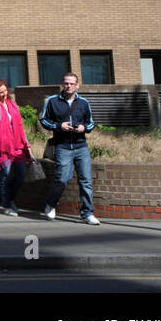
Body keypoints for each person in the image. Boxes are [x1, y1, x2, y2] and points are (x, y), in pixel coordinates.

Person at [39, 73, 99, 225]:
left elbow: (91, 123)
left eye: (72, 84)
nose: (69, 86)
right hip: (63, 146)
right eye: (66, 83)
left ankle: (87, 213)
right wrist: (59, 126)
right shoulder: (52, 101)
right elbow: (44, 120)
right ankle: (51, 204)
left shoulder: (84, 103)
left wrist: (83, 128)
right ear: (62, 84)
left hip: (81, 146)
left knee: (86, 181)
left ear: (77, 85)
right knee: (62, 179)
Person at [0, 78, 32, 215]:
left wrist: (27, 145)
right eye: (1, 92)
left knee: (21, 174)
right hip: (4, 145)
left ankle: (11, 199)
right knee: (6, 175)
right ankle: (6, 205)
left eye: (5, 91)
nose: (4, 94)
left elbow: (20, 125)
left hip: (17, 144)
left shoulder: (12, 104)